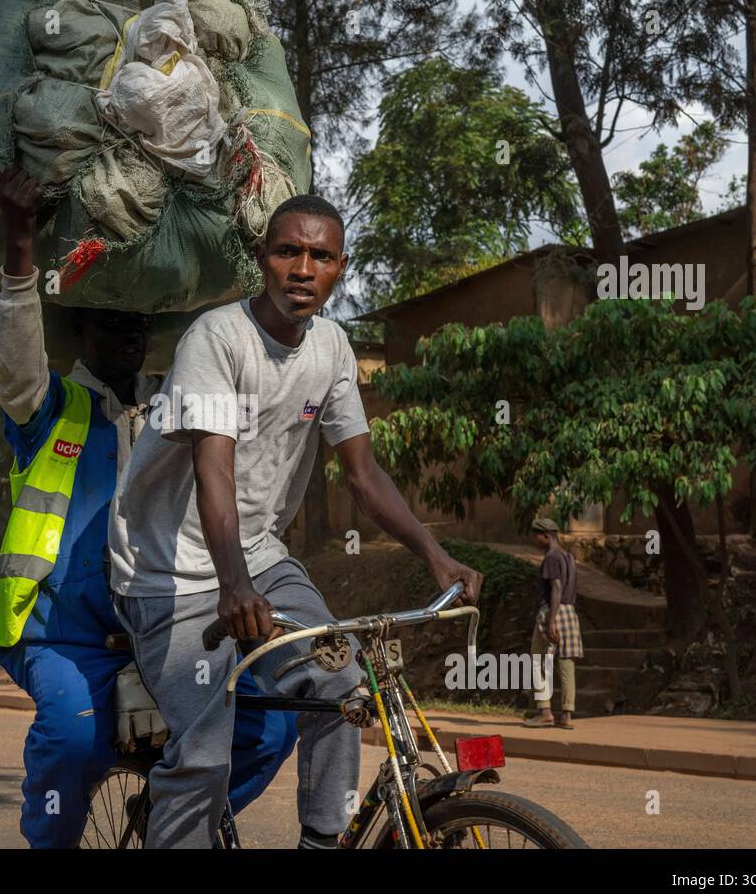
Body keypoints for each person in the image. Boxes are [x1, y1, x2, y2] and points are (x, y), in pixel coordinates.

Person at [107, 193, 485, 849]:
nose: (303, 269)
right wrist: (232, 587)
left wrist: (435, 554)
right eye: (288, 251)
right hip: (167, 573)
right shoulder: (216, 338)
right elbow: (213, 470)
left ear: (340, 267)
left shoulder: (333, 349)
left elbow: (364, 475)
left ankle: (321, 840)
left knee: (345, 685)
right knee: (203, 755)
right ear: (263, 260)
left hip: (257, 557)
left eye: (321, 255)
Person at [0, 164, 297, 849]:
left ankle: (168, 817)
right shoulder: (50, 406)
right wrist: (19, 245)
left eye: (138, 325)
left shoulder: (180, 405)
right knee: (73, 737)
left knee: (272, 726)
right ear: (81, 333)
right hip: (65, 633)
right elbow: (15, 359)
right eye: (108, 321)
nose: (127, 335)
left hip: (173, 622)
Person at [523, 517, 582, 729]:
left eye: (536, 536)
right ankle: (567, 715)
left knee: (538, 660)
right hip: (570, 611)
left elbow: (556, 588)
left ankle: (545, 711)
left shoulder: (551, 558)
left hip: (553, 611)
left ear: (547, 536)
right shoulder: (568, 556)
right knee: (566, 663)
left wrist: (551, 621)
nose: (534, 540)